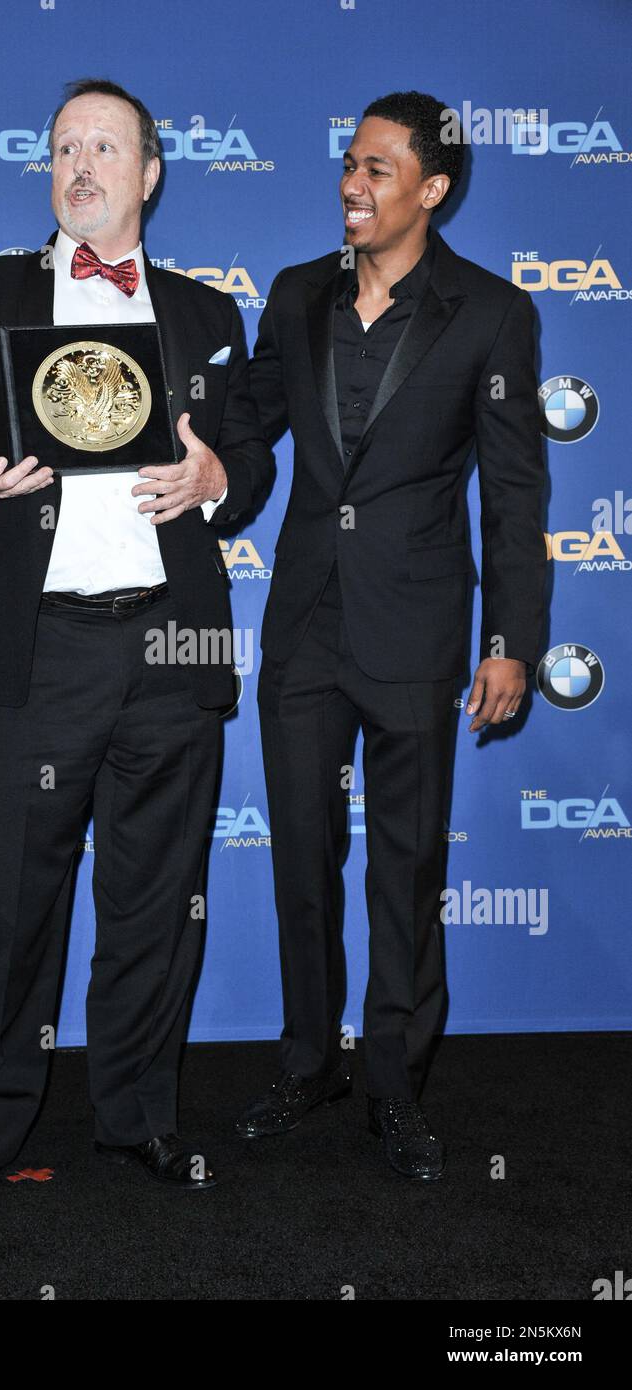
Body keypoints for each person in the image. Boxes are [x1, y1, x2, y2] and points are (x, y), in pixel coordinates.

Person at [0, 78, 273, 1213]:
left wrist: (218, 476)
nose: (81, 164)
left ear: (148, 174)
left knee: (157, 899)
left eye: (105, 147)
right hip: (37, 647)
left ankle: (140, 1119)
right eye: (65, 146)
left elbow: (252, 456)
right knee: (16, 897)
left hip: (169, 641)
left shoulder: (209, 313)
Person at [238, 91, 547, 1180]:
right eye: (346, 164)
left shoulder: (492, 314)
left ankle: (394, 1084)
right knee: (302, 862)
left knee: (406, 867)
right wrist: (189, 456)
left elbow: (514, 493)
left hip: (418, 627)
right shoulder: (293, 296)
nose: (349, 184)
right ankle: (307, 1059)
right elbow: (243, 432)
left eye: (374, 168)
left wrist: (510, 638)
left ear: (431, 189)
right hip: (305, 622)